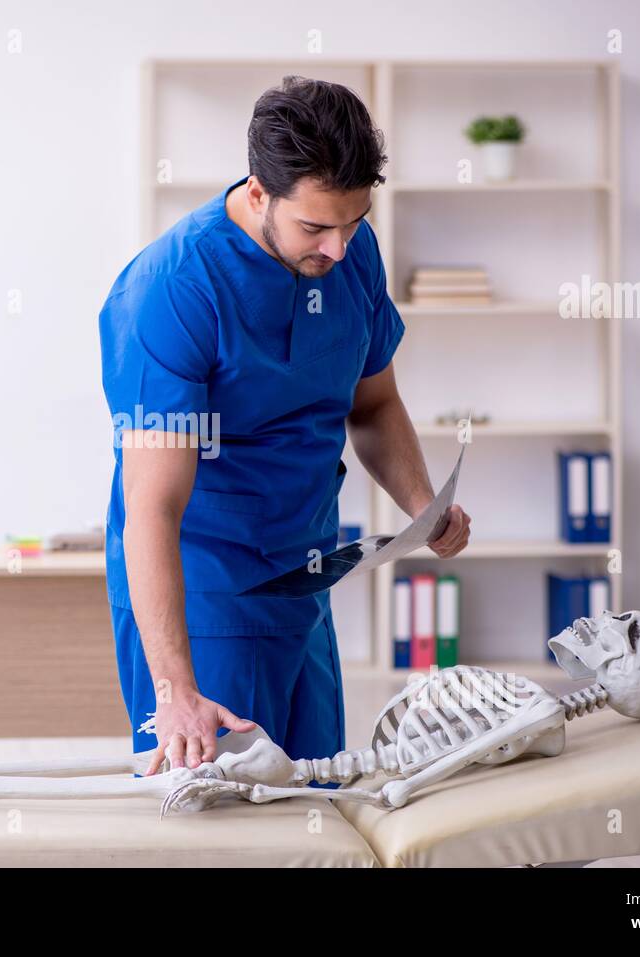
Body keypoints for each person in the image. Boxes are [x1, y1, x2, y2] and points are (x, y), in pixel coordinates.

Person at [98, 75, 471, 779]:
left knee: (317, 797)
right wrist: (176, 690)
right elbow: (152, 506)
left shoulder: (350, 250)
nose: (337, 248)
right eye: (316, 228)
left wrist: (423, 506)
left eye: (354, 221)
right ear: (259, 191)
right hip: (205, 587)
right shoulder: (173, 289)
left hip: (304, 574)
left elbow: (374, 405)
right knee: (225, 818)